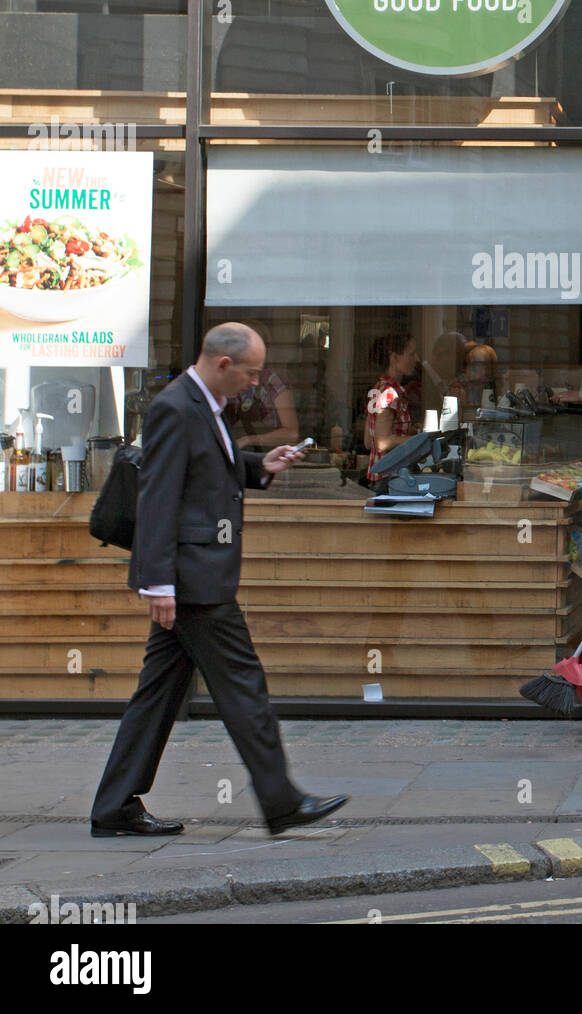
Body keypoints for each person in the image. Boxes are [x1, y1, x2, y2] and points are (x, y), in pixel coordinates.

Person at [89, 323, 348, 838]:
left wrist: (260, 466)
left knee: (158, 693)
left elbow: (204, 472)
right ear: (224, 365)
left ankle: (115, 806)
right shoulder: (175, 407)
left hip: (190, 576)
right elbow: (158, 497)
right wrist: (158, 583)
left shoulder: (201, 404)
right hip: (192, 581)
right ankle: (281, 800)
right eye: (251, 373)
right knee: (243, 687)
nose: (255, 383)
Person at [229, 320, 300, 452]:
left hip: (267, 454)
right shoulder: (230, 379)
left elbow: (292, 433)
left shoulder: (274, 381)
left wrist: (248, 440)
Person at [365, 331, 419, 481]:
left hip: (377, 476)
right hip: (390, 478)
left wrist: (410, 430)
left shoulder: (377, 388)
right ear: (394, 357)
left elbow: (369, 441)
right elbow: (382, 442)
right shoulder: (389, 393)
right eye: (411, 354)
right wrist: (420, 438)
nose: (416, 359)